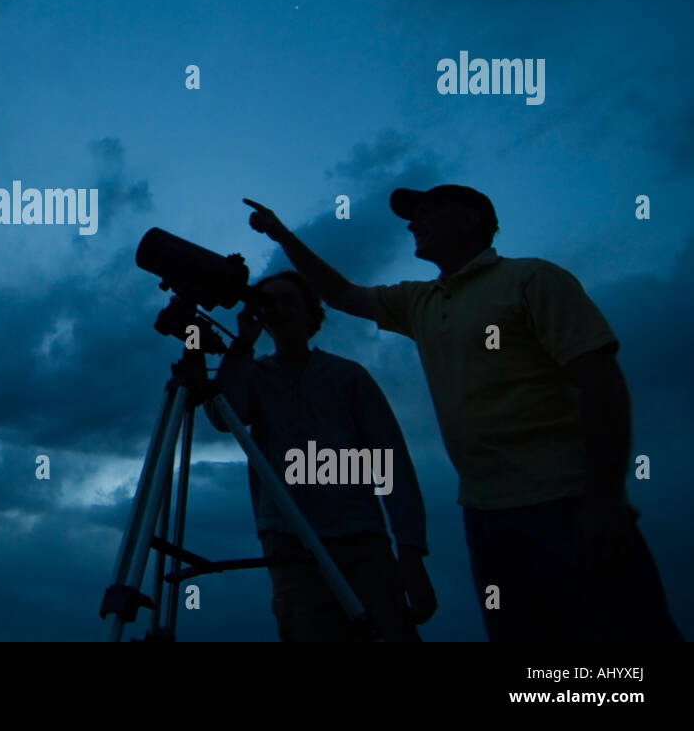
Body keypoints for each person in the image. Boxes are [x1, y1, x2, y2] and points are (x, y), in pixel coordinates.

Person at [242, 186, 684, 641]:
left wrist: (604, 500)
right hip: (485, 515)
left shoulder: (532, 279)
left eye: (426, 212)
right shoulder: (420, 301)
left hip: (566, 502)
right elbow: (337, 292)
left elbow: (601, 382)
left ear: (471, 220)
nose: (414, 224)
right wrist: (281, 234)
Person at [207, 270, 436, 641]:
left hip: (360, 540)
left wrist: (410, 552)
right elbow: (224, 416)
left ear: (311, 313)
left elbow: (390, 462)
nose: (278, 310)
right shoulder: (255, 373)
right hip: (289, 541)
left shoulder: (348, 377)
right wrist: (241, 347)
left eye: (288, 301)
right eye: (270, 303)